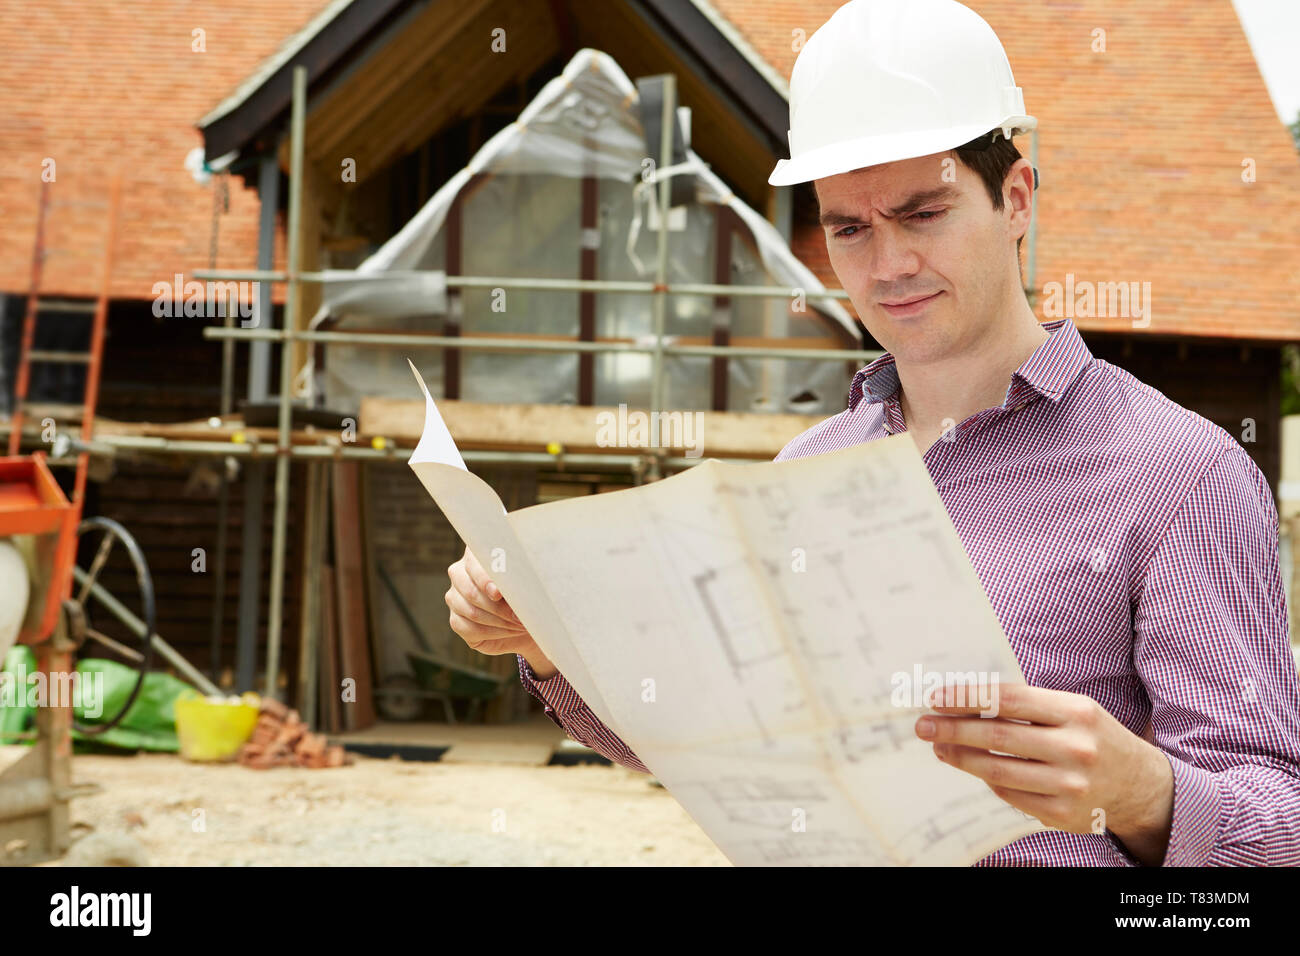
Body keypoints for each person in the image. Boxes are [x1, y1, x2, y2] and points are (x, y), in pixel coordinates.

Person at [445, 0, 1300, 865]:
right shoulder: (807, 470)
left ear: (1014, 197)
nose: (887, 267)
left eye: (923, 213)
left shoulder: (1181, 473)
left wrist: (1141, 790)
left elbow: (1280, 829)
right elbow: (712, 751)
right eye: (850, 228)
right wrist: (544, 644)